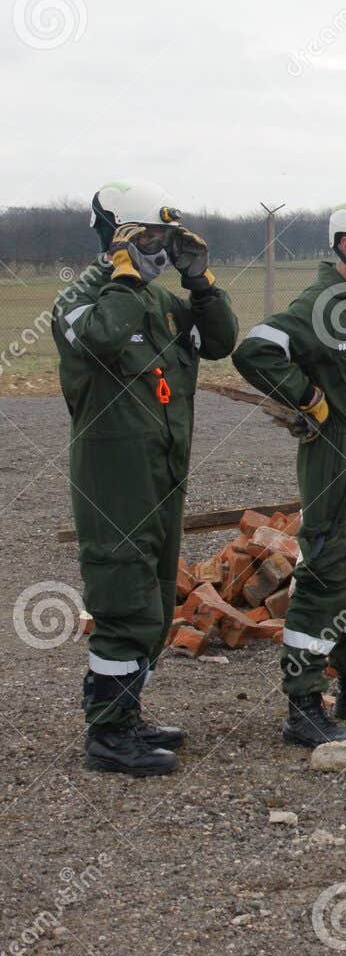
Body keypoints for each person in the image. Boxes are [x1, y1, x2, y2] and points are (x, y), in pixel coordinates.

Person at [53, 179, 238, 775]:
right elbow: (103, 337)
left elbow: (220, 341)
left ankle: (127, 710)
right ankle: (107, 737)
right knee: (123, 597)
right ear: (118, 237)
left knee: (155, 600)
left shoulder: (161, 303)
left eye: (168, 238)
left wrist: (199, 281)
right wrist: (125, 275)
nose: (161, 248)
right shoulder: (86, 296)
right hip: (114, 476)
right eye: (150, 237)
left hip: (162, 472)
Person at [232, 198, 346, 747]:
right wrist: (306, 398)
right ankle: (304, 706)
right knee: (326, 574)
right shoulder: (322, 302)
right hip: (338, 460)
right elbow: (255, 351)